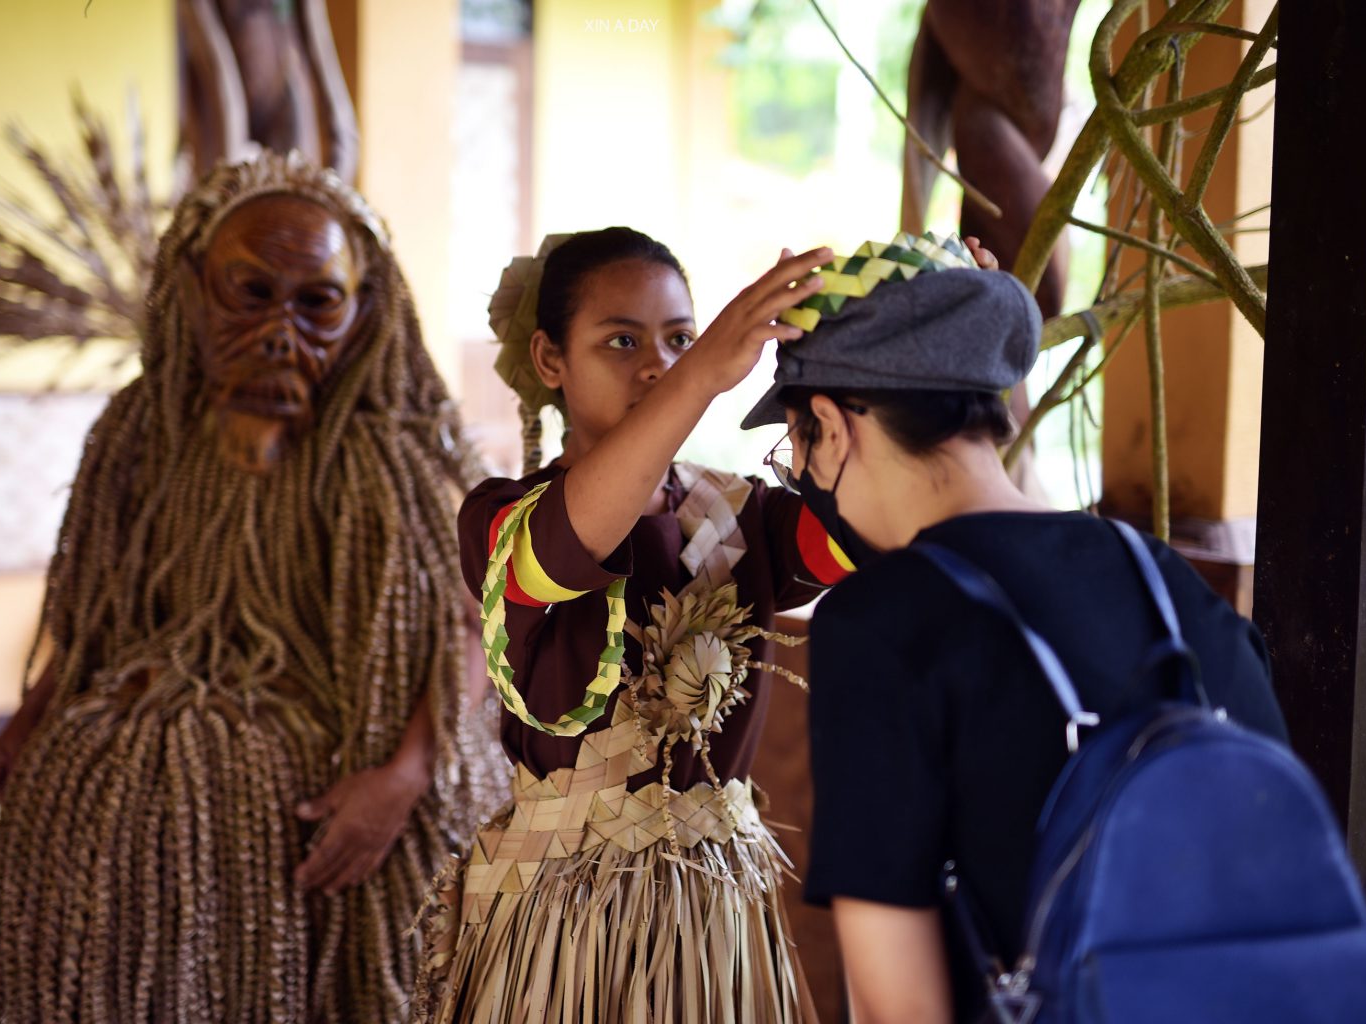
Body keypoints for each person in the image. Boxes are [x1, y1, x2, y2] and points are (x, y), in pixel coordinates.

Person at [0, 152, 507, 1024]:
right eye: (250, 294)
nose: (279, 333)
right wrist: (41, 705)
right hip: (155, 779)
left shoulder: (393, 467)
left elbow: (467, 628)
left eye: (317, 303)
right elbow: (98, 603)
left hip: (331, 792)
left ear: (367, 309)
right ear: (190, 290)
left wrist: (406, 774)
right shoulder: (141, 433)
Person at [414, 227, 969, 1022]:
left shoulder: (746, 516)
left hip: (719, 926)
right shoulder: (503, 518)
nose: (658, 363)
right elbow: (571, 543)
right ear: (549, 362)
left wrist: (932, 338)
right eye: (621, 340)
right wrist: (703, 373)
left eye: (680, 338)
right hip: (561, 933)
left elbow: (872, 513)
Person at [738, 237, 1289, 1023]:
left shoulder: (881, 621)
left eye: (792, 444)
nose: (798, 472)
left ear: (829, 424)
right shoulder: (1161, 577)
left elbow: (899, 1004)